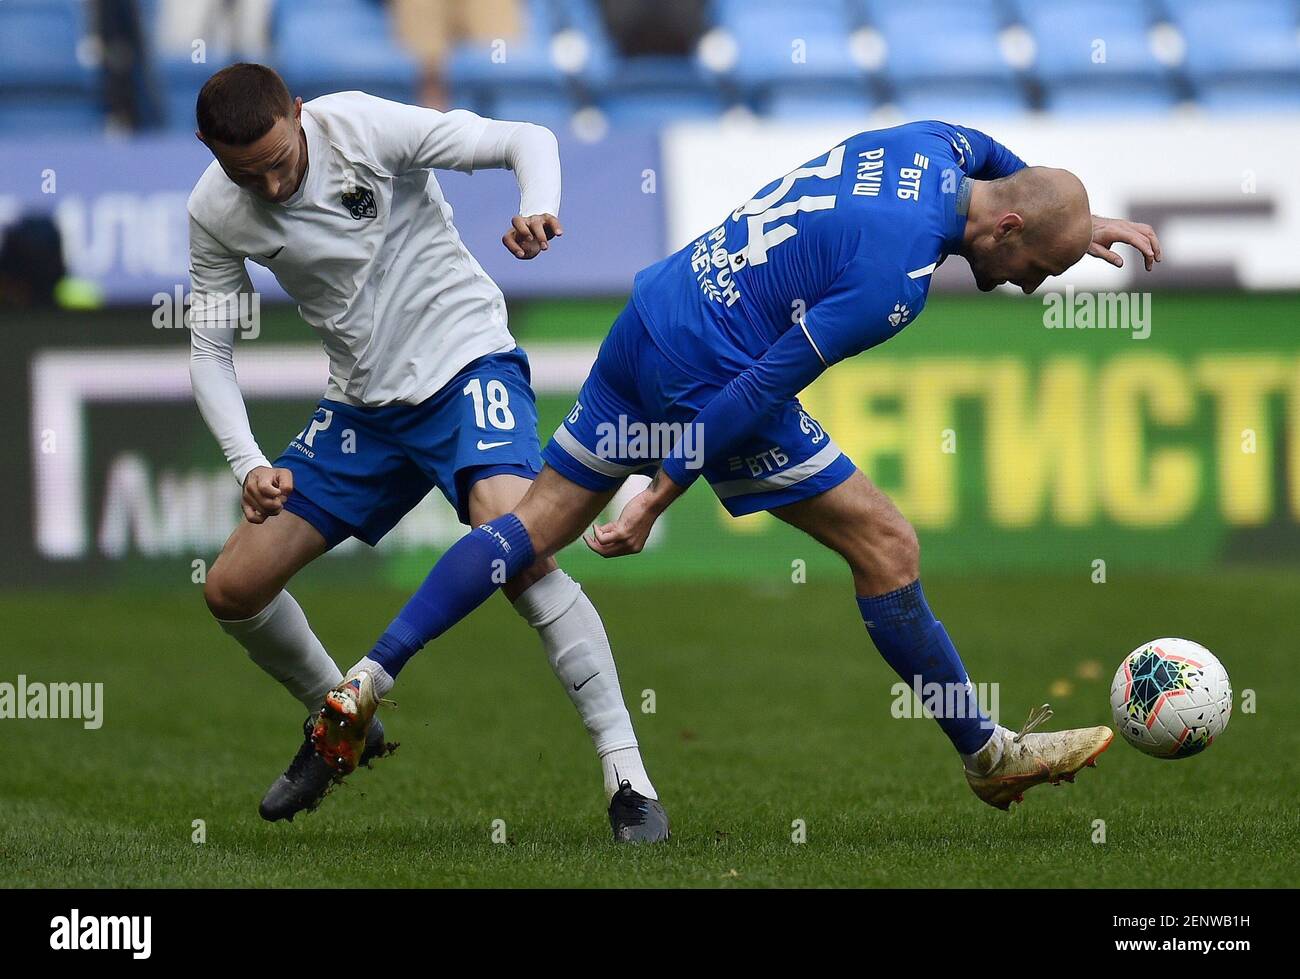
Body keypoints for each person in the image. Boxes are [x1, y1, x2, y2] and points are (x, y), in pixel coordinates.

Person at [317, 120, 1163, 811]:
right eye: (1035, 269)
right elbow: (760, 385)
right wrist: (662, 491)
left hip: (653, 313)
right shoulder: (894, 278)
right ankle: (987, 755)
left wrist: (1079, 228)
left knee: (527, 530)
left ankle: (365, 678)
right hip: (712, 372)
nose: (1024, 286)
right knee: (887, 546)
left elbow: (1003, 165)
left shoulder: (931, 144)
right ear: (1007, 229)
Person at [186, 63, 667, 841]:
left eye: (280, 162)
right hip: (363, 405)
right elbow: (209, 349)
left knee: (519, 547)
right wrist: (248, 463)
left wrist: (536, 208)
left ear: (299, 114)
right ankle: (338, 721)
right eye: (248, 174)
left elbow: (525, 137)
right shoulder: (212, 210)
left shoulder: (363, 129)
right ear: (208, 148)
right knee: (232, 587)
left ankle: (628, 778)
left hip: (465, 362)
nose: (271, 187)